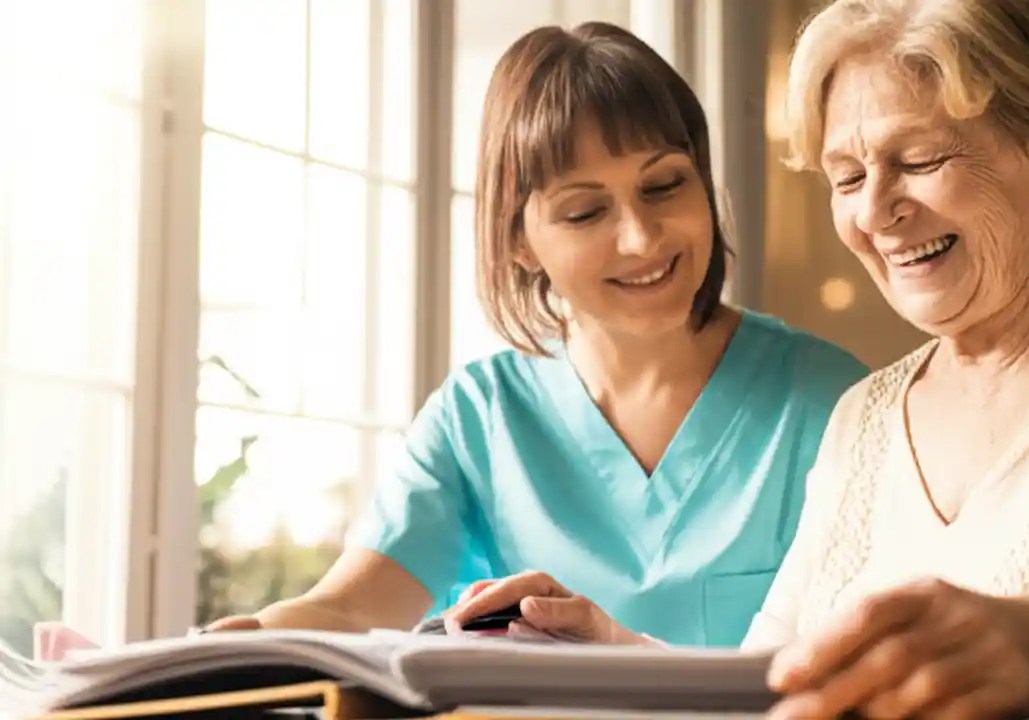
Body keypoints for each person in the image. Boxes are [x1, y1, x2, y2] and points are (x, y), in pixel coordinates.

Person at [446, 1, 1029, 717]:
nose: (878, 212)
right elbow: (773, 683)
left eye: (920, 160)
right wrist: (610, 648)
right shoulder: (866, 418)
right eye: (847, 176)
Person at [206, 21, 867, 649]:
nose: (641, 237)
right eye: (585, 211)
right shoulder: (480, 417)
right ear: (519, 241)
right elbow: (350, 605)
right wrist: (254, 640)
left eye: (665, 185)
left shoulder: (836, 402)